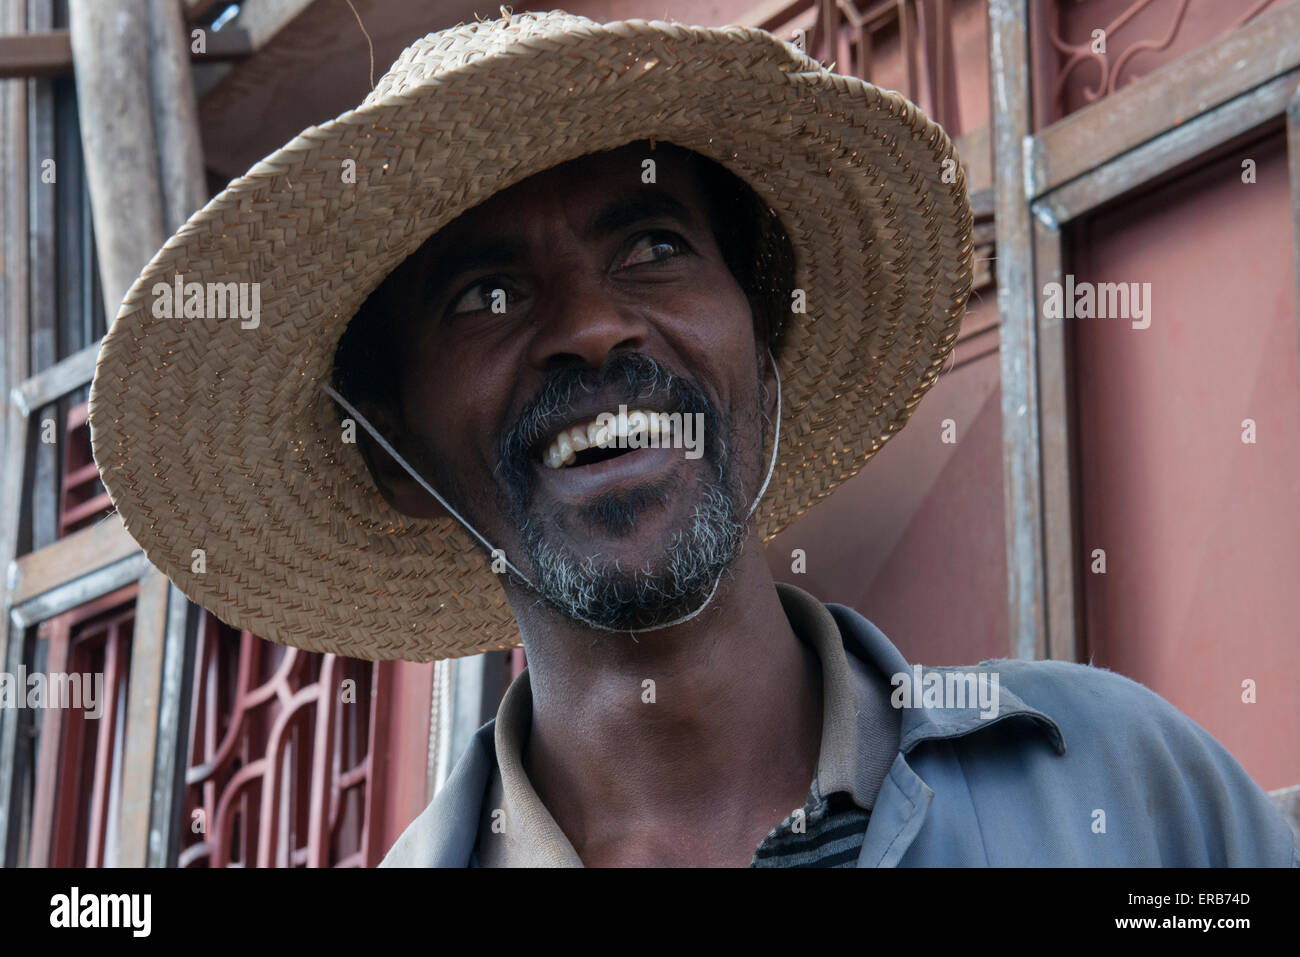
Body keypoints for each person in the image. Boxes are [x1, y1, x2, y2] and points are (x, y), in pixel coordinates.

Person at [89, 9, 1297, 867]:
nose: (595, 326)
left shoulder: (1121, 787)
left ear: (761, 352)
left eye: (654, 245)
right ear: (398, 464)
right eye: (486, 297)